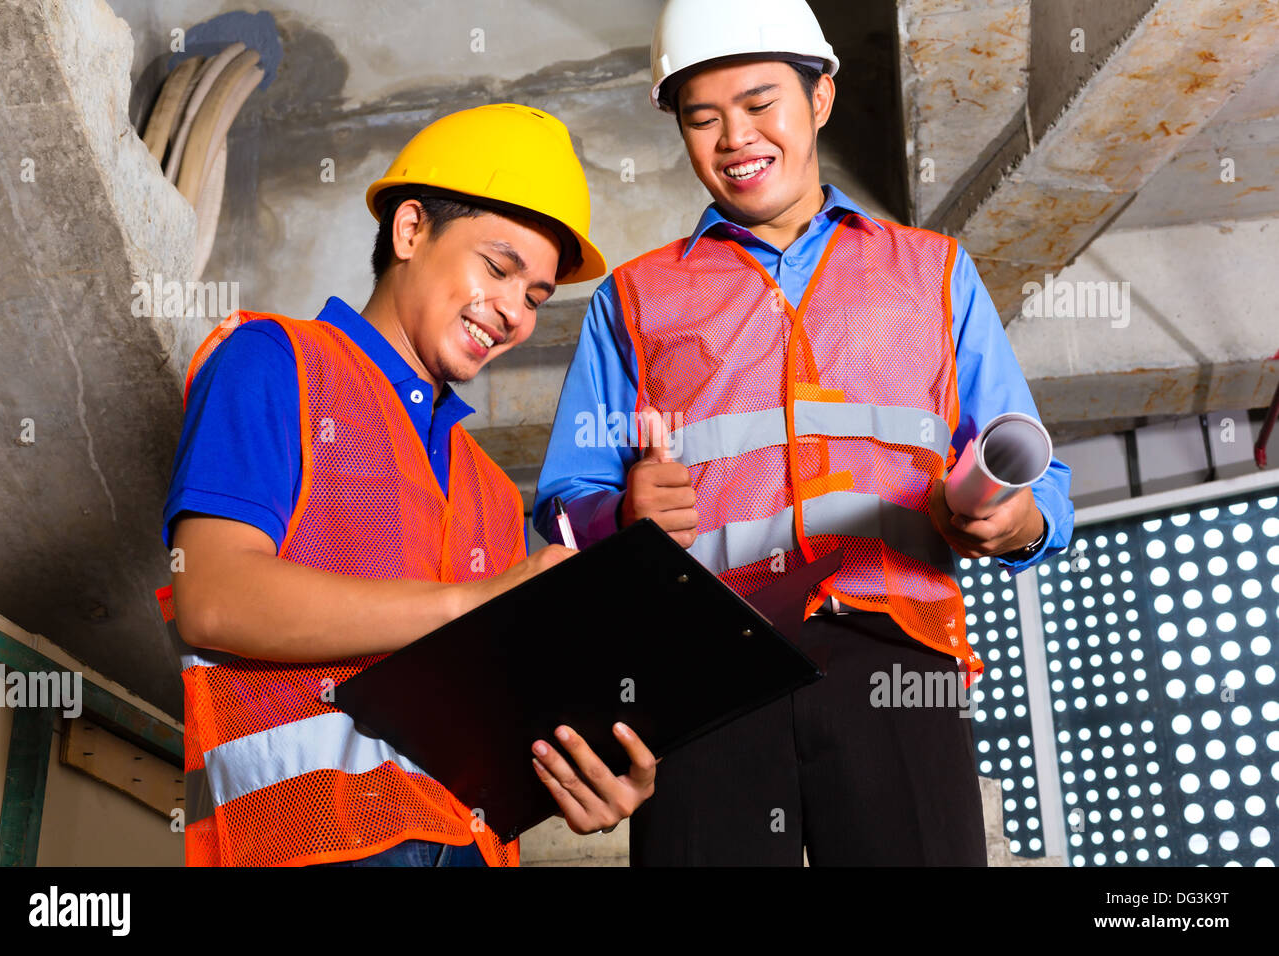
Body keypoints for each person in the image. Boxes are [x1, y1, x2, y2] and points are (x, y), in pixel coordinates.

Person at [533, 0, 1075, 865]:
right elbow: (563, 505)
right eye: (701, 119)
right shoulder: (633, 299)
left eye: (759, 105)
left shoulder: (932, 273)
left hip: (893, 660)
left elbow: (1041, 485)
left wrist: (1019, 522)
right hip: (701, 672)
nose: (734, 138)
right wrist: (619, 519)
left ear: (820, 97)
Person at [155, 103, 656, 867]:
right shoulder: (274, 362)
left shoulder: (487, 488)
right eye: (499, 268)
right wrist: (474, 603)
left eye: (536, 297)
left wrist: (585, 772)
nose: (514, 313)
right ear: (411, 230)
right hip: (306, 849)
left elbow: (472, 710)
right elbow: (212, 597)